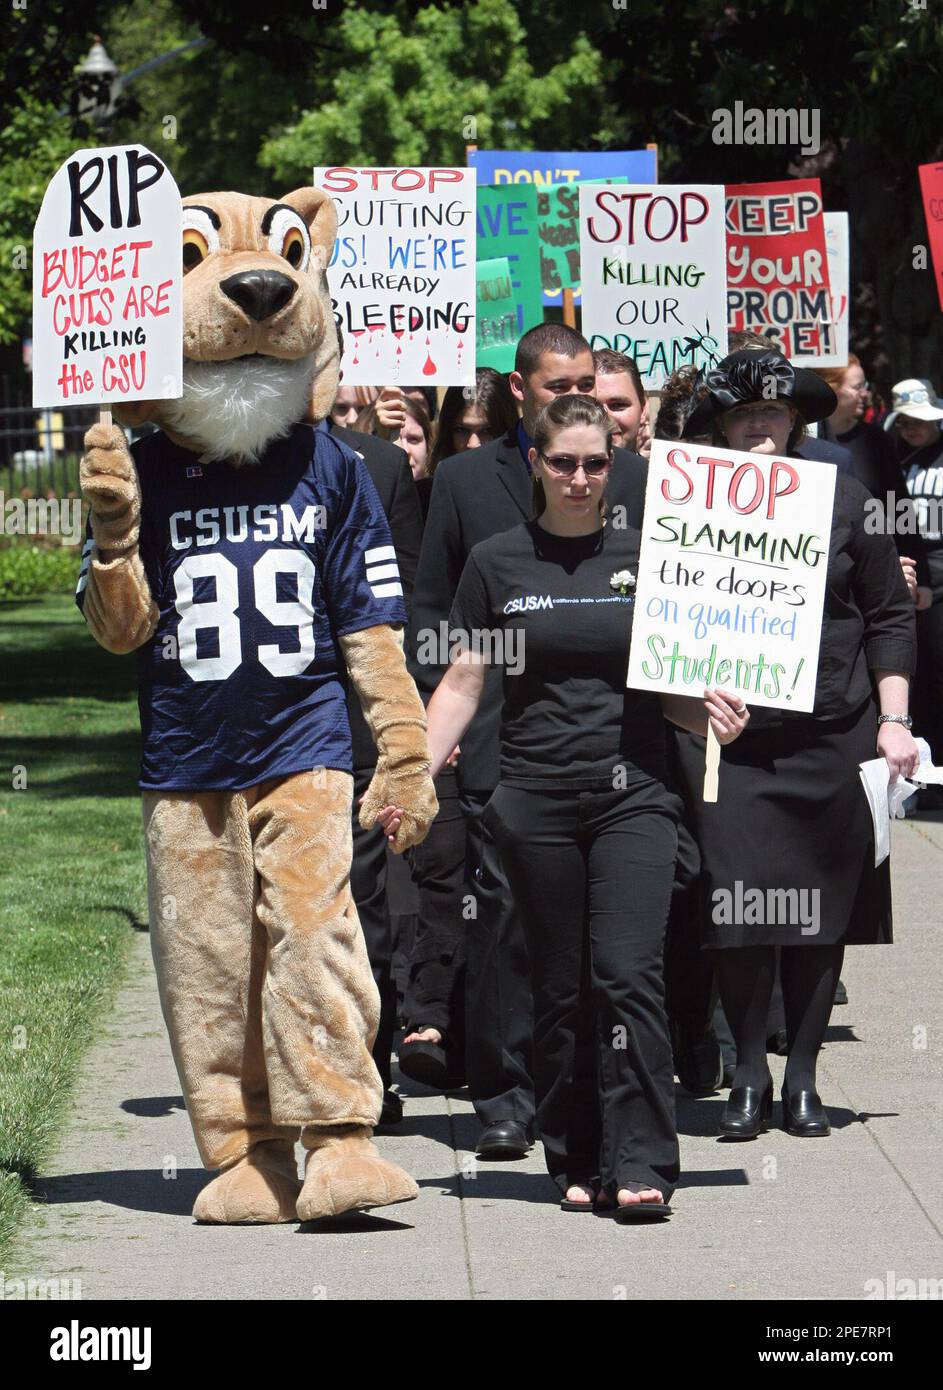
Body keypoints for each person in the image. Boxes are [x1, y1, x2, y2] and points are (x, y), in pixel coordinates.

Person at [380, 394, 748, 1215]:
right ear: (536, 464)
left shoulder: (648, 557)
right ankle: (576, 1153)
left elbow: (674, 692)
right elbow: (464, 682)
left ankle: (645, 1160)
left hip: (635, 798)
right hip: (534, 801)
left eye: (594, 462)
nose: (579, 477)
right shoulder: (498, 562)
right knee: (560, 986)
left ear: (611, 464)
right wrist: (410, 774)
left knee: (627, 974)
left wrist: (712, 709)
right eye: (562, 462)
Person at [409, 322, 648, 1160]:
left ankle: (599, 1114)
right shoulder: (468, 479)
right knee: (505, 931)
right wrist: (437, 735)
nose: (576, 397)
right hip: (498, 744)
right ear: (520, 392)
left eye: (587, 380)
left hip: (617, 756)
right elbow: (435, 606)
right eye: (556, 385)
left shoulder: (640, 485)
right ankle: (504, 1098)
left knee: (605, 951)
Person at [675, 349, 918, 1139]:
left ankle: (803, 1079)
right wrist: (687, 696)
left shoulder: (844, 498)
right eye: (742, 416)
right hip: (735, 742)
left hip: (833, 733)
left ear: (795, 421)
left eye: (773, 414)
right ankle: (747, 1073)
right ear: (718, 426)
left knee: (818, 918)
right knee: (740, 912)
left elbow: (886, 613)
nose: (758, 429)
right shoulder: (690, 506)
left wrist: (893, 720)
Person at [397, 367, 518, 1090]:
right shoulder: (424, 491)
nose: (471, 442)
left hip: (510, 714)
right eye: (460, 431)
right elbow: (427, 609)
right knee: (441, 867)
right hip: (447, 706)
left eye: (485, 430)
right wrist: (435, 711)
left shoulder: (520, 493)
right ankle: (431, 1018)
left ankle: (478, 1036)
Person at [323, 399, 424, 1125]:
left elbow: (409, 597)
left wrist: (406, 738)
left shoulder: (380, 466)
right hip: (268, 723)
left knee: (364, 905)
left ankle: (370, 1067)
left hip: (357, 723)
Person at [886, 378, 943, 771]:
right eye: (905, 421)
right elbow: (886, 516)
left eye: (920, 420)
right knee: (917, 674)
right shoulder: (891, 459)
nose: (913, 428)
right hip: (910, 575)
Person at [592, 348, 649, 454]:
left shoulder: (659, 470)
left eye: (617, 405)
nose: (605, 418)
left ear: (643, 408)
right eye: (593, 406)